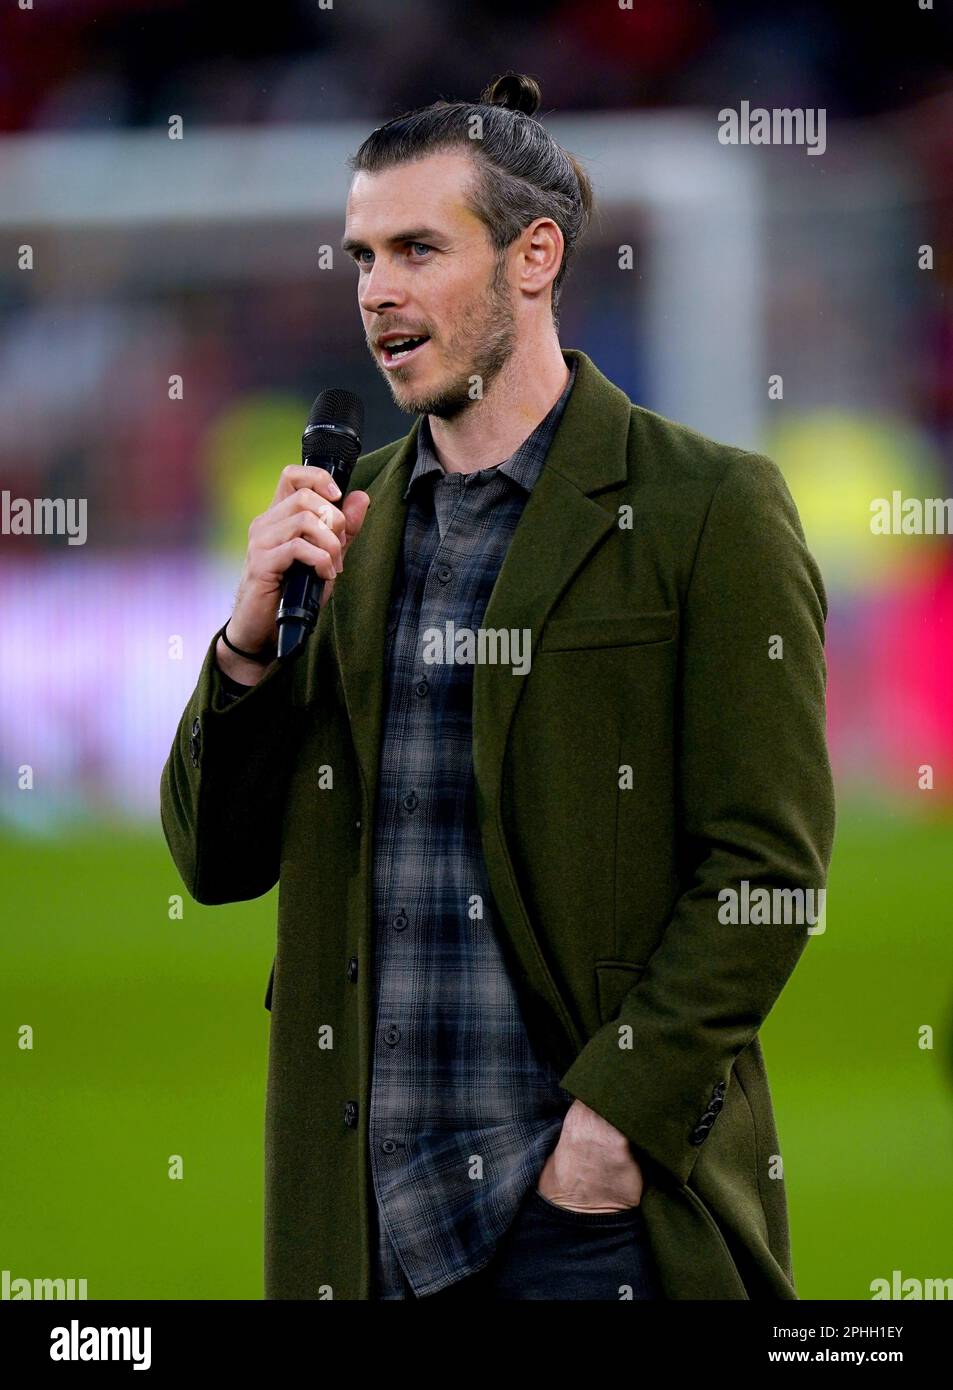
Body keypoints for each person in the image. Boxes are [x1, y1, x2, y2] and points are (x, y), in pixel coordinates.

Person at [160, 71, 835, 1301]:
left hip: (583, 1224)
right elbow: (215, 862)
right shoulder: (339, 524)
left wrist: (608, 1134)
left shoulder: (706, 508)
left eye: (418, 247)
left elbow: (766, 871)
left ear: (534, 257)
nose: (376, 290)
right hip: (358, 1228)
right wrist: (247, 647)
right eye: (360, 253)